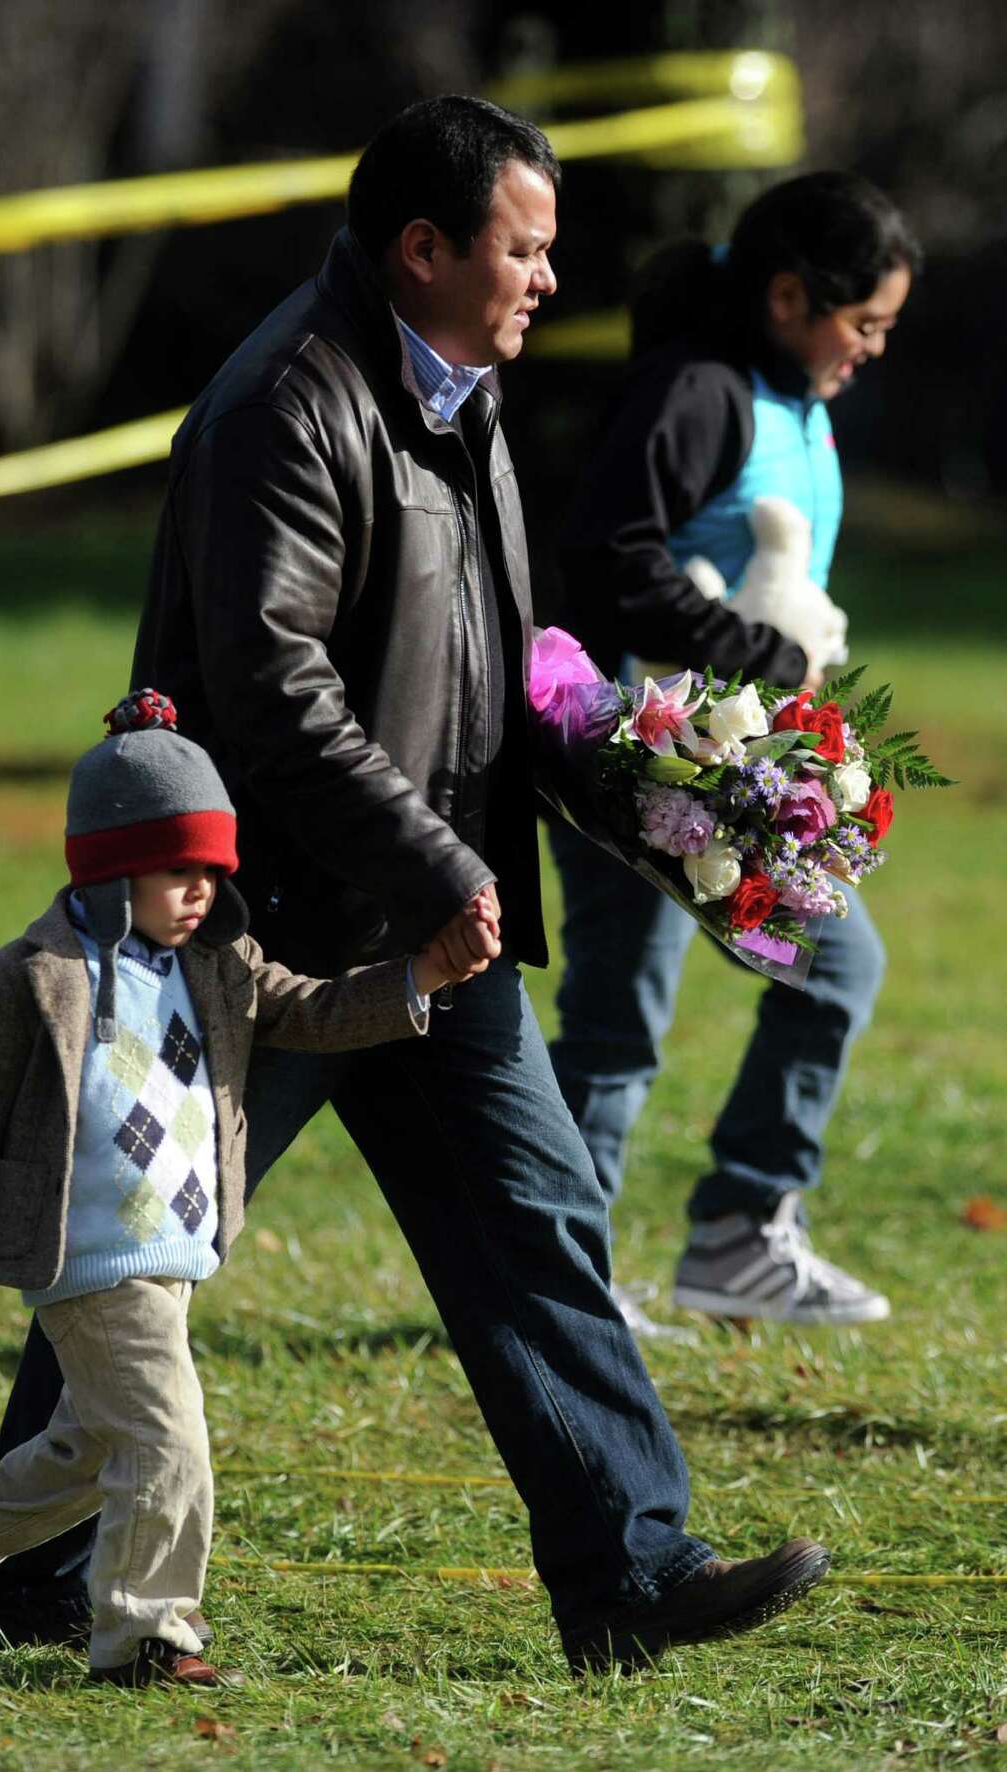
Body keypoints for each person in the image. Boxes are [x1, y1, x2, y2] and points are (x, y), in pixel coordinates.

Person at [0, 96, 830, 1675]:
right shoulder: (288, 402)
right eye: (524, 246)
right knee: (144, 1245)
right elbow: (274, 684)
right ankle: (18, 1573)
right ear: (422, 249)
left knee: (540, 1227)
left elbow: (480, 664)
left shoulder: (458, 385)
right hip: (269, 932)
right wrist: (442, 863)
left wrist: (633, 795)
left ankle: (628, 1573)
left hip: (434, 928)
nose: (547, 281)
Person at [0, 689, 487, 1687]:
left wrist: (417, 976)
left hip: (174, 1255)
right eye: (177, 868)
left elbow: (315, 1008)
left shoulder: (218, 960)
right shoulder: (34, 976)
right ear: (111, 868)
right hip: (89, 1258)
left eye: (213, 868)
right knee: (168, 1439)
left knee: (84, 1449)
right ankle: (147, 1635)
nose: (200, 890)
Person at [549, 172, 921, 1333]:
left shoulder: (785, 393)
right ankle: (605, 1266)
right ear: (787, 294)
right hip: (640, 762)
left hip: (725, 770)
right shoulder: (699, 389)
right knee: (630, 1013)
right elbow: (607, 554)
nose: (868, 352)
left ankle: (711, 1238)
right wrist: (752, 647)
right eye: (862, 326)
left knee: (663, 1002)